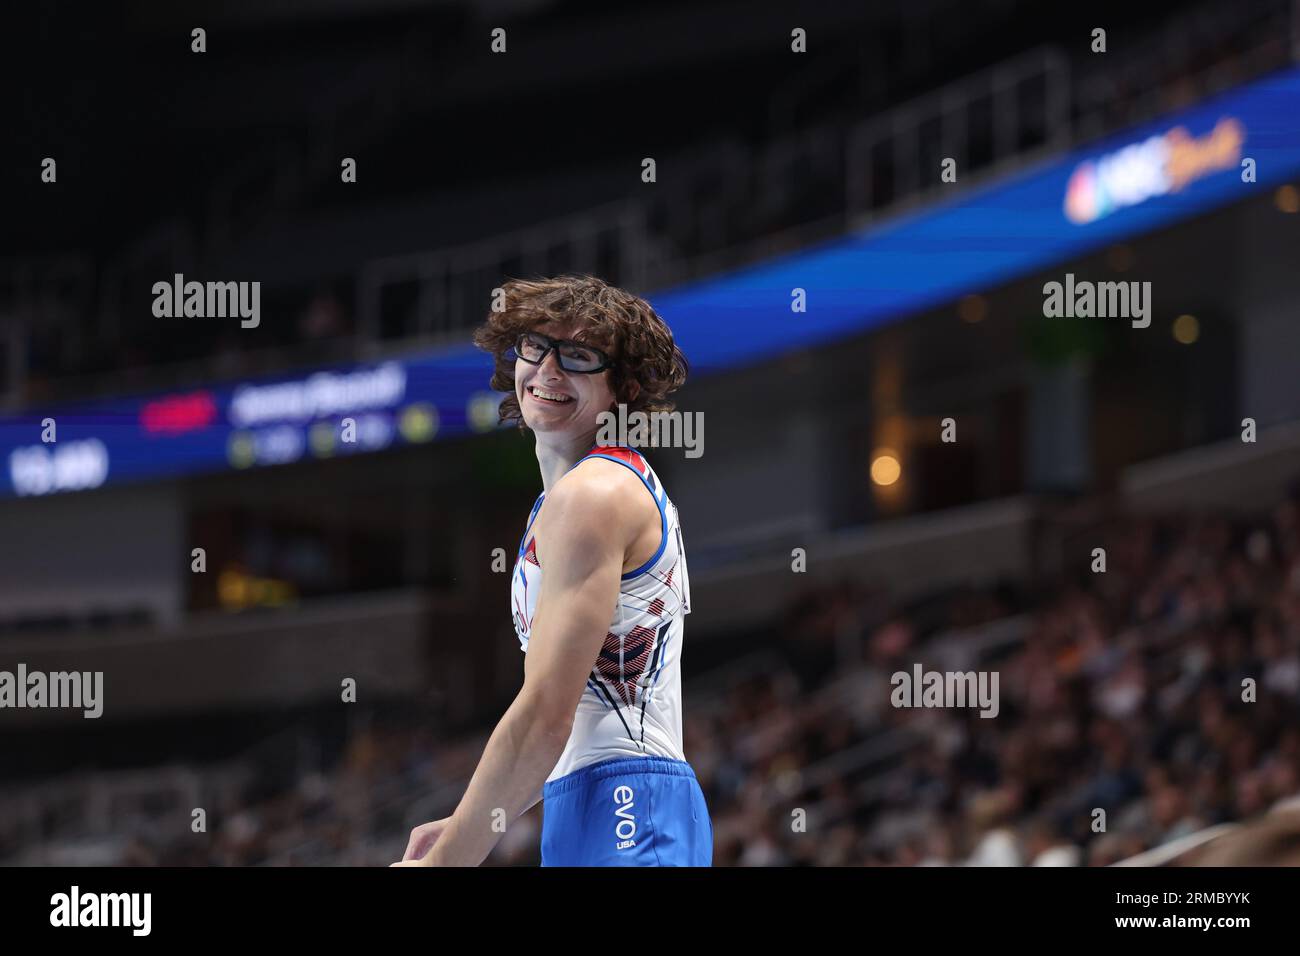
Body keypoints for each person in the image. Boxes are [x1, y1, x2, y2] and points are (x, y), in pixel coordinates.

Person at [395, 275, 711, 866]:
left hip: (624, 805)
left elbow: (546, 714)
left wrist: (447, 861)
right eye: (535, 347)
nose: (548, 369)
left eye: (580, 355)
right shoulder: (578, 495)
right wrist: (468, 820)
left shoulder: (593, 495)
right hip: (601, 802)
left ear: (627, 387)